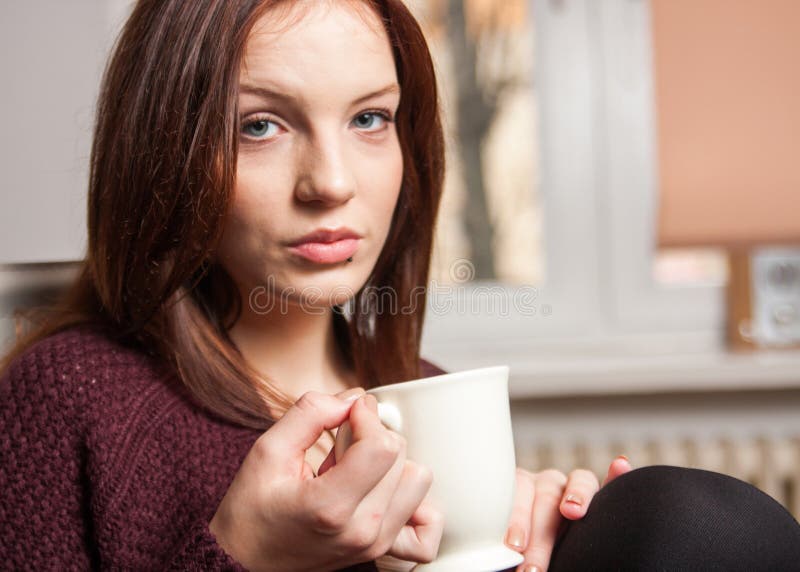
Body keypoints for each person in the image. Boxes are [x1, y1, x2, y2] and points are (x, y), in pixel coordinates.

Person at [0, 1, 798, 571]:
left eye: (370, 119)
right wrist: (244, 557)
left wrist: (553, 542)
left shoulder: (431, 395)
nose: (332, 183)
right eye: (260, 125)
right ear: (164, 152)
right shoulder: (65, 398)